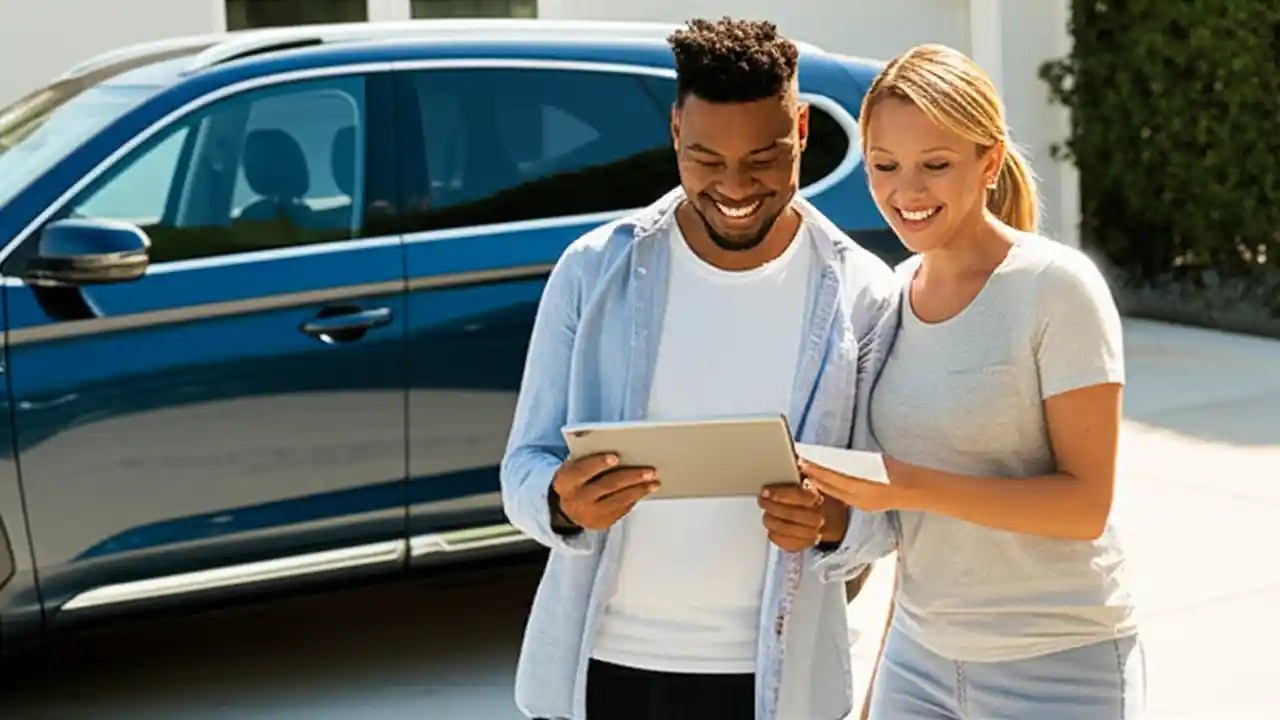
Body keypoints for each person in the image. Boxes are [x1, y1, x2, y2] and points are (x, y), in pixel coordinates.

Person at [500, 17, 900, 720]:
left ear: (802, 131)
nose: (736, 186)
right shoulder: (592, 274)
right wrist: (562, 501)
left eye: (765, 158)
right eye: (708, 161)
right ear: (676, 133)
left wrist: (832, 520)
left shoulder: (863, 294)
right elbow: (521, 470)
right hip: (605, 671)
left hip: (779, 683)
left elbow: (887, 509)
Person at [800, 43, 1145, 719]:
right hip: (921, 658)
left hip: (1059, 664)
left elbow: (1084, 507)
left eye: (936, 165)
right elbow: (915, 529)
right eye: (884, 166)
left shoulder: (1055, 288)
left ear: (989, 162)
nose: (907, 192)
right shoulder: (892, 297)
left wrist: (905, 483)